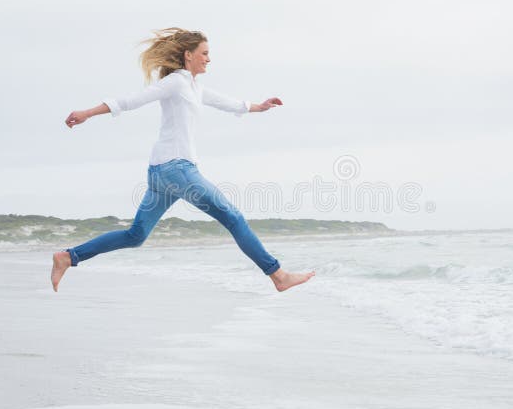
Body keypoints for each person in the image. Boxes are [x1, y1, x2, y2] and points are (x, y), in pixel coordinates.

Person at [51, 28, 315, 293]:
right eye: (205, 53)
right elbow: (132, 101)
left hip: (160, 175)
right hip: (177, 169)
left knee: (135, 235)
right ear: (188, 55)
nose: (209, 59)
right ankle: (278, 275)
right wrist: (87, 112)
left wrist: (260, 106)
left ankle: (69, 256)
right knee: (233, 217)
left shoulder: (193, 87)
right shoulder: (176, 83)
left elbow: (228, 102)